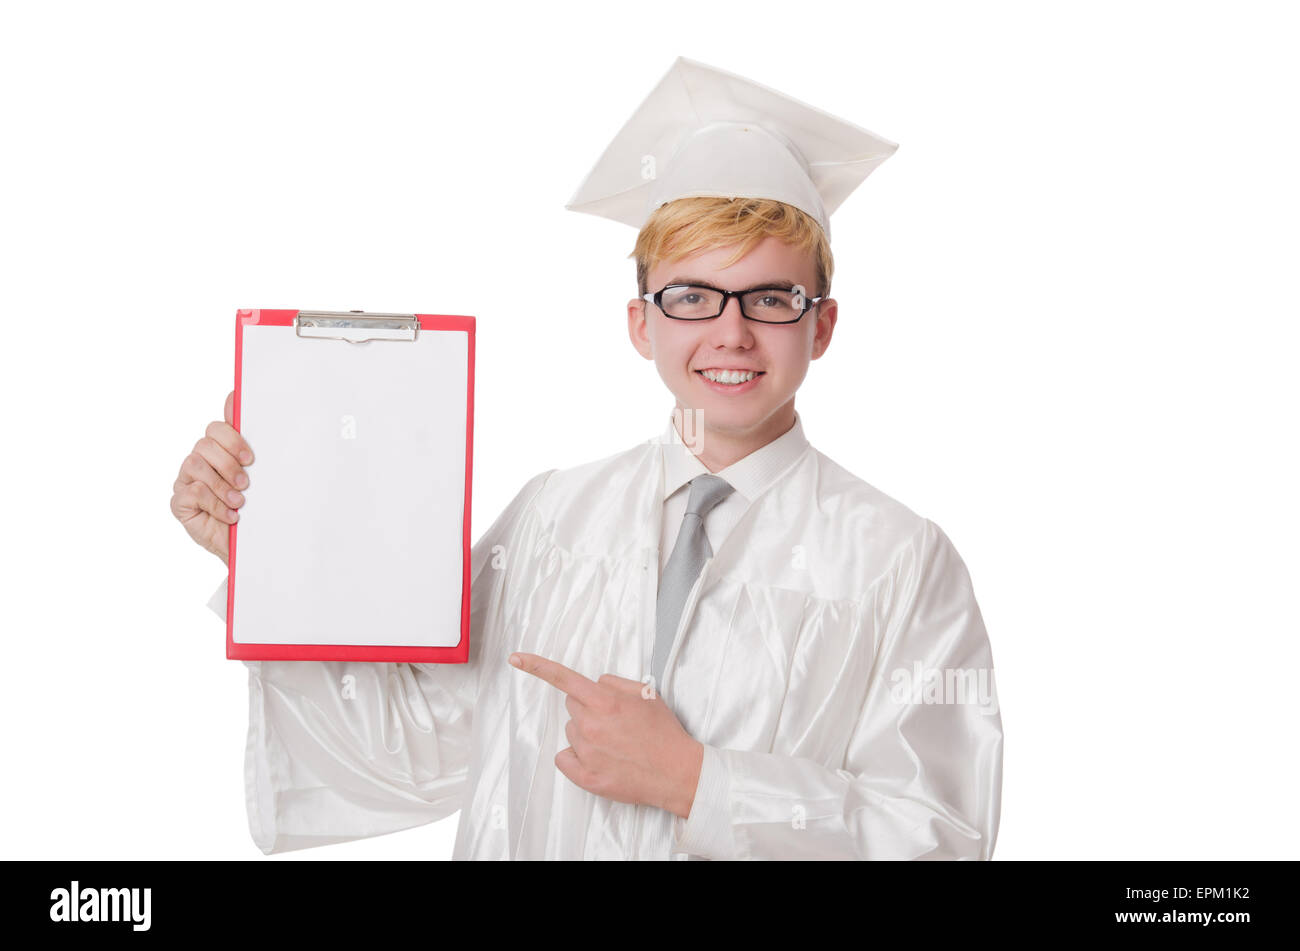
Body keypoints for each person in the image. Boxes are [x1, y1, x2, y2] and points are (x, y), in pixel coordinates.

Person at [170, 57, 1003, 860]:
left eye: (773, 298)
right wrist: (271, 555)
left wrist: (700, 783)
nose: (731, 331)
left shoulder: (899, 563)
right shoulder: (553, 518)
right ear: (641, 322)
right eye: (691, 295)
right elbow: (412, 745)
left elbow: (940, 835)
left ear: (821, 324)